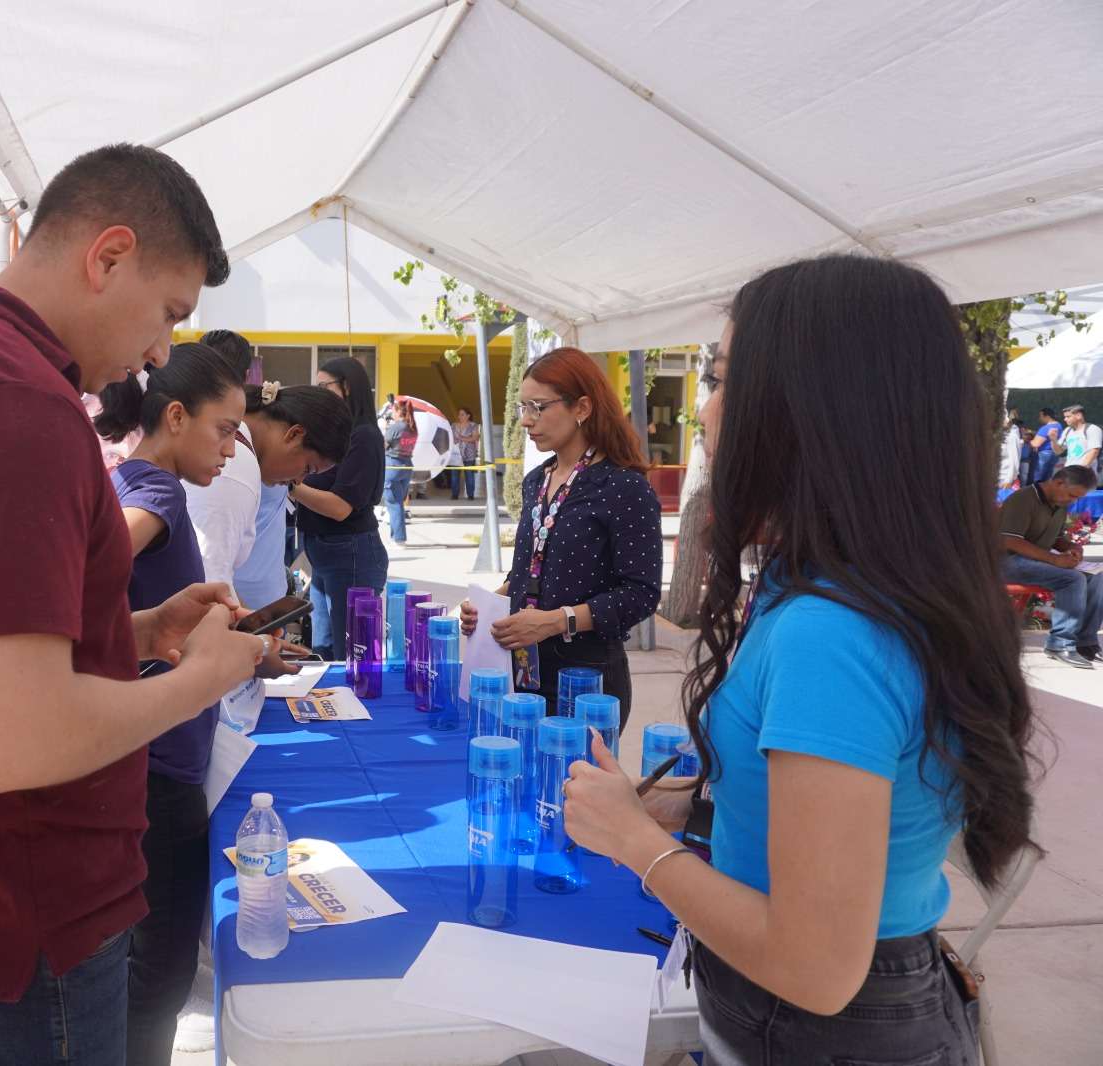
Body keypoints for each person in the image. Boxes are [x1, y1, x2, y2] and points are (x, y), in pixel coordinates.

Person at [563, 255, 1036, 1064]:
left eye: (719, 381)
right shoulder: (849, 586)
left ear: (810, 413)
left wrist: (636, 844)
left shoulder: (833, 633)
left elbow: (816, 966)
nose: (704, 412)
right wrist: (705, 808)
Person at [0, 143, 265, 1066]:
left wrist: (137, 634)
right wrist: (197, 680)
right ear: (107, 255)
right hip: (16, 922)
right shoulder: (7, 398)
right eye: (167, 314)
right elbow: (13, 740)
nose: (161, 353)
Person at [94, 343, 256, 1065]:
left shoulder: (136, 480)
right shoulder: (154, 493)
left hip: (157, 755)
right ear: (177, 416)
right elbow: (81, 581)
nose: (232, 448)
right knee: (157, 974)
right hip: (157, 766)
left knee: (150, 972)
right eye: (224, 430)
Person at [459, 349, 662, 727]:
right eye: (523, 407)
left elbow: (641, 594)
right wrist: (490, 605)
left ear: (582, 407)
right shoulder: (537, 480)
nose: (525, 420)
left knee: (569, 783)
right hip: (522, 673)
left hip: (586, 682)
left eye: (537, 406)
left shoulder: (623, 487)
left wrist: (557, 621)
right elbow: (527, 572)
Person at [182, 329, 351, 609]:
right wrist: (256, 640)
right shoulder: (235, 464)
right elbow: (208, 580)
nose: (297, 481)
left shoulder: (238, 452)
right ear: (294, 434)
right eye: (306, 468)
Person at [292, 356, 389, 659]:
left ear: (347, 387)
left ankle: (355, 705)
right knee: (323, 648)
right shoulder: (336, 434)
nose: (320, 393)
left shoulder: (363, 437)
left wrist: (290, 485)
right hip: (323, 554)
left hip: (351, 554)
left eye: (325, 386)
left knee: (353, 655)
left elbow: (340, 508)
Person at [1000, 464, 1102, 667]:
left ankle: (1085, 642)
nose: (1074, 501)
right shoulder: (1023, 499)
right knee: (1072, 579)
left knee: (1098, 577)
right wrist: (1054, 559)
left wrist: (1071, 546)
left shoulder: (1059, 503)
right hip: (1004, 561)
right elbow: (1009, 540)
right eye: (1073, 495)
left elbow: (1056, 537)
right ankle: (1059, 644)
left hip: (1031, 561)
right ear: (1058, 483)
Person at [380, 398, 418, 545]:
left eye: (393, 411)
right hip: (407, 466)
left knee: (393, 503)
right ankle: (394, 536)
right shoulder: (412, 427)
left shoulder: (396, 427)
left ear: (398, 411)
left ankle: (399, 539)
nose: (392, 414)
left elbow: (383, 446)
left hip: (393, 466)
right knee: (399, 503)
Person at [1059, 404, 1103, 477]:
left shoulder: (1092, 429)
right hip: (1069, 472)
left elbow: (1094, 451)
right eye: (1065, 417)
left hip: (1085, 474)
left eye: (1068, 416)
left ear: (1079, 416)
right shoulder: (1067, 430)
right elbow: (1059, 451)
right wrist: (1053, 440)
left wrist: (1080, 471)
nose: (1065, 419)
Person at [450, 406, 480, 500]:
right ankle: (455, 494)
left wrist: (462, 438)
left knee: (469, 475)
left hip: (469, 454)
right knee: (454, 475)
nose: (460, 416)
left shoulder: (473, 425)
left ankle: (470, 495)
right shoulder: (453, 425)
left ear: (468, 416)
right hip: (456, 454)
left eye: (462, 414)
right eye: (459, 414)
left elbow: (475, 438)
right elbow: (450, 437)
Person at [1035, 406, 1064, 483]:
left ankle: (1037, 493)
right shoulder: (1059, 426)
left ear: (1047, 416)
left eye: (1041, 416)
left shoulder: (1046, 428)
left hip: (1044, 454)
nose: (1039, 418)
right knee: (1047, 477)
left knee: (1039, 477)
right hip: (1054, 453)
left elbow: (1036, 443)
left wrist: (1029, 441)